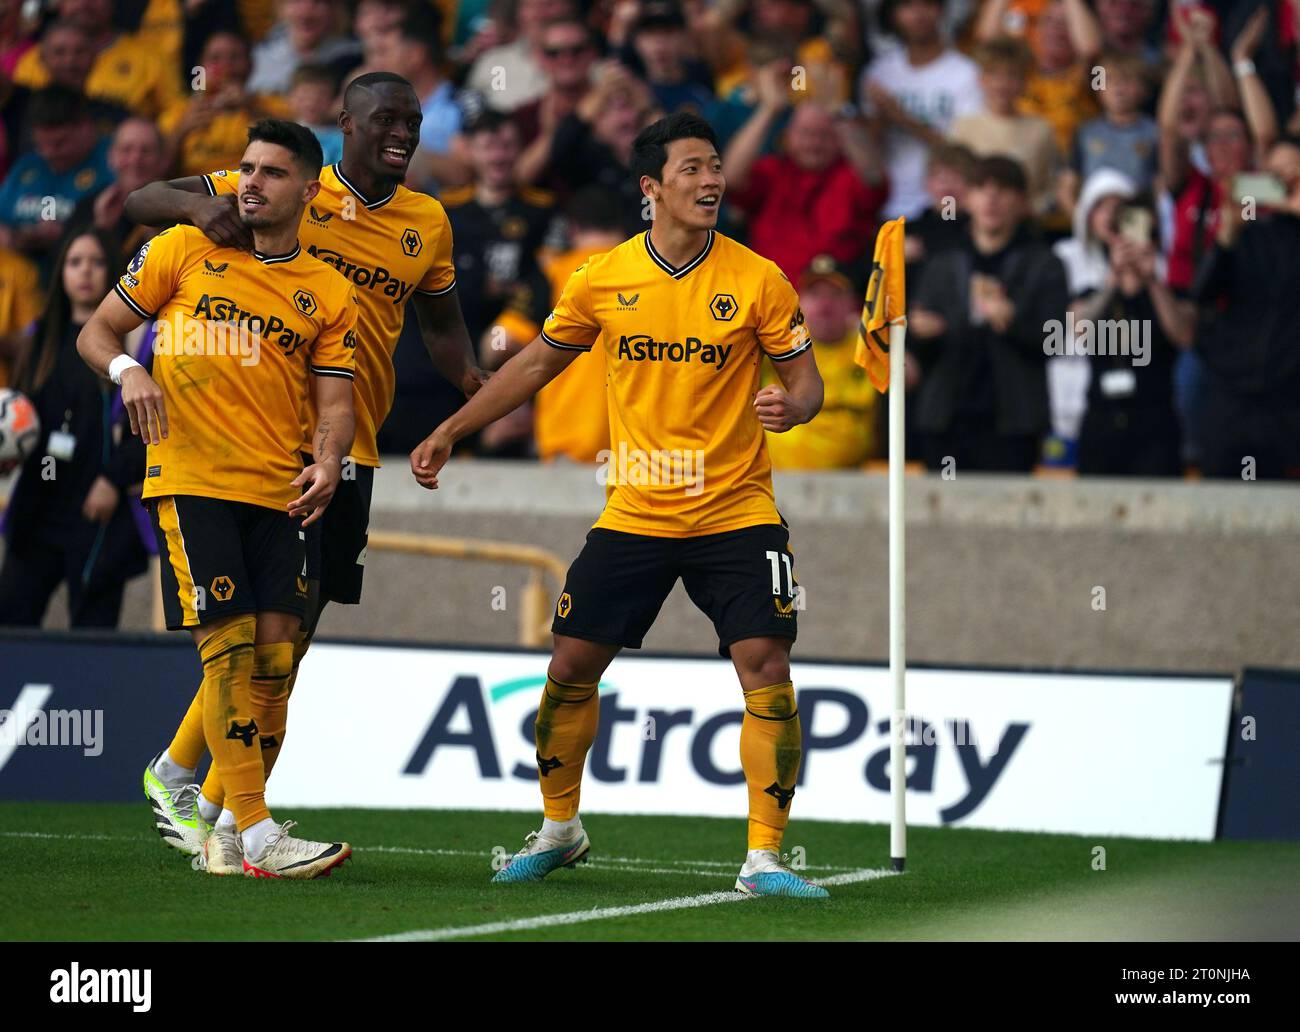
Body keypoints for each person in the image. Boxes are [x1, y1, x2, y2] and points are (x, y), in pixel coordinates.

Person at [409, 112, 830, 898]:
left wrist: (793, 407)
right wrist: (453, 430)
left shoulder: (758, 278)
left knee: (765, 665)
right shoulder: (601, 279)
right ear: (652, 188)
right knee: (570, 664)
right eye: (693, 170)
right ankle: (560, 829)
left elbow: (808, 382)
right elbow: (534, 365)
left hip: (737, 510)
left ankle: (766, 858)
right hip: (635, 512)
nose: (712, 181)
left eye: (716, 167)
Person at [123, 73, 485, 858]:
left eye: (414, 121)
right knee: (255, 633)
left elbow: (442, 322)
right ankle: (219, 808)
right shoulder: (283, 180)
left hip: (349, 445)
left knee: (289, 639)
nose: (404, 132)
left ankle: (195, 783)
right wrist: (195, 207)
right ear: (345, 124)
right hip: (261, 443)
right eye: (388, 118)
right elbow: (140, 199)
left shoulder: (426, 223)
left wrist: (469, 380)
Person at [78, 118, 359, 878]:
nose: (250, 183)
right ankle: (258, 834)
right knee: (229, 649)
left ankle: (197, 803)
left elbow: (336, 404)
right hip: (191, 477)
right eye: (244, 168)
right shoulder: (181, 247)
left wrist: (330, 462)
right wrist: (128, 373)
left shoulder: (327, 291)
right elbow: (98, 333)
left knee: (273, 659)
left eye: (271, 172)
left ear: (308, 187)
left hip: (278, 487)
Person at [0, 228, 148, 627]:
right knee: (12, 618)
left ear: (113, 272)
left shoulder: (131, 341)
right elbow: (19, 417)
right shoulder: (38, 338)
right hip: (39, 508)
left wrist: (113, 480)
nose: (85, 272)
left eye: (97, 262)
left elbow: (146, 424)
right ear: (61, 272)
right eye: (74, 261)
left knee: (92, 635)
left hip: (98, 511)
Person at [909, 155, 1066, 472]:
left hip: (1012, 424)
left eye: (1003, 189)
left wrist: (1013, 320)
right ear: (967, 200)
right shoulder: (942, 262)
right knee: (942, 515)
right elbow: (916, 338)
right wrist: (921, 331)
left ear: (1022, 202)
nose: (991, 198)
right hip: (946, 420)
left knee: (1007, 518)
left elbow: (1054, 341)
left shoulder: (1045, 263)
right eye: (981, 188)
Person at [1192, 134, 1300, 480]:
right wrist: (1227, 235)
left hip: (1287, 400)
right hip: (1232, 396)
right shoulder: (1248, 235)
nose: (1285, 183)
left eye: (1295, 174)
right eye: (1276, 176)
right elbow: (1202, 295)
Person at [723, 62, 887, 282]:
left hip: (834, 305)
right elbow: (731, 179)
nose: (813, 144)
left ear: (840, 140)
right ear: (787, 138)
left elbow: (875, 176)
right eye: (805, 133)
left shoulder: (850, 176)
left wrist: (838, 112)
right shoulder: (772, 172)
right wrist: (770, 109)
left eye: (823, 135)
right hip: (771, 302)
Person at [859, 0, 983, 220]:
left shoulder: (966, 73)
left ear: (941, 10)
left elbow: (964, 153)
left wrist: (899, 115)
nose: (918, 14)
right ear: (894, 14)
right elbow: (867, 153)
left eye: (927, 4)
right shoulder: (879, 72)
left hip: (944, 204)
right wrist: (878, 120)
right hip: (889, 201)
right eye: (907, 5)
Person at [763, 254, 878, 469]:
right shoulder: (773, 345)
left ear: (852, 303)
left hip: (856, 484)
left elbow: (910, 376)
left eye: (835, 295)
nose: (825, 305)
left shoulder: (870, 348)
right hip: (777, 482)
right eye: (815, 295)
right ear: (798, 302)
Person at [948, 36, 1058, 221]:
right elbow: (953, 188)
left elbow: (1050, 187)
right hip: (971, 229)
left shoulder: (1041, 129)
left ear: (1025, 81)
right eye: (994, 74)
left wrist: (1030, 208)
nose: (1002, 83)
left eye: (1012, 75)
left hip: (1026, 229)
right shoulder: (963, 128)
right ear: (981, 79)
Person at [0, 87, 112, 267]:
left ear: (85, 127)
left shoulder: (114, 162)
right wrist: (15, 236)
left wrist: (66, 234)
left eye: (59, 143)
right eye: (41, 143)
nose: (49, 153)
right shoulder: (28, 166)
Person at [157, 31, 292, 179]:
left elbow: (297, 150)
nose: (225, 66)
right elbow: (158, 174)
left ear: (251, 65)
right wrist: (181, 131)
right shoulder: (178, 112)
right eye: (215, 58)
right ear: (201, 66)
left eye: (234, 57)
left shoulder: (272, 104)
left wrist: (252, 108)